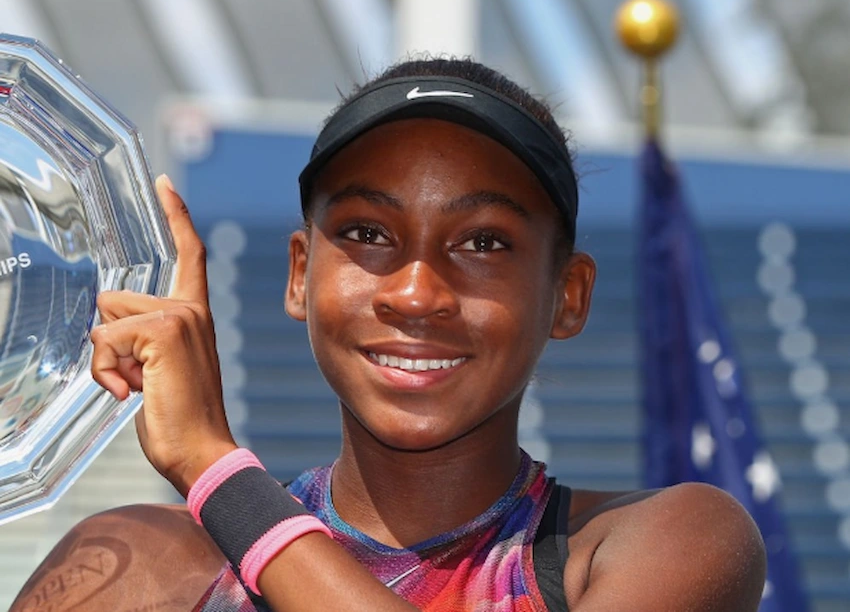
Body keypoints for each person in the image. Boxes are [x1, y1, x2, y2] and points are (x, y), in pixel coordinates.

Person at [11, 58, 766, 612]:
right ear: (300, 275)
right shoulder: (135, 565)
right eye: (369, 232)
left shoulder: (663, 544)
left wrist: (214, 469)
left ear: (567, 296)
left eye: (484, 243)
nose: (416, 293)